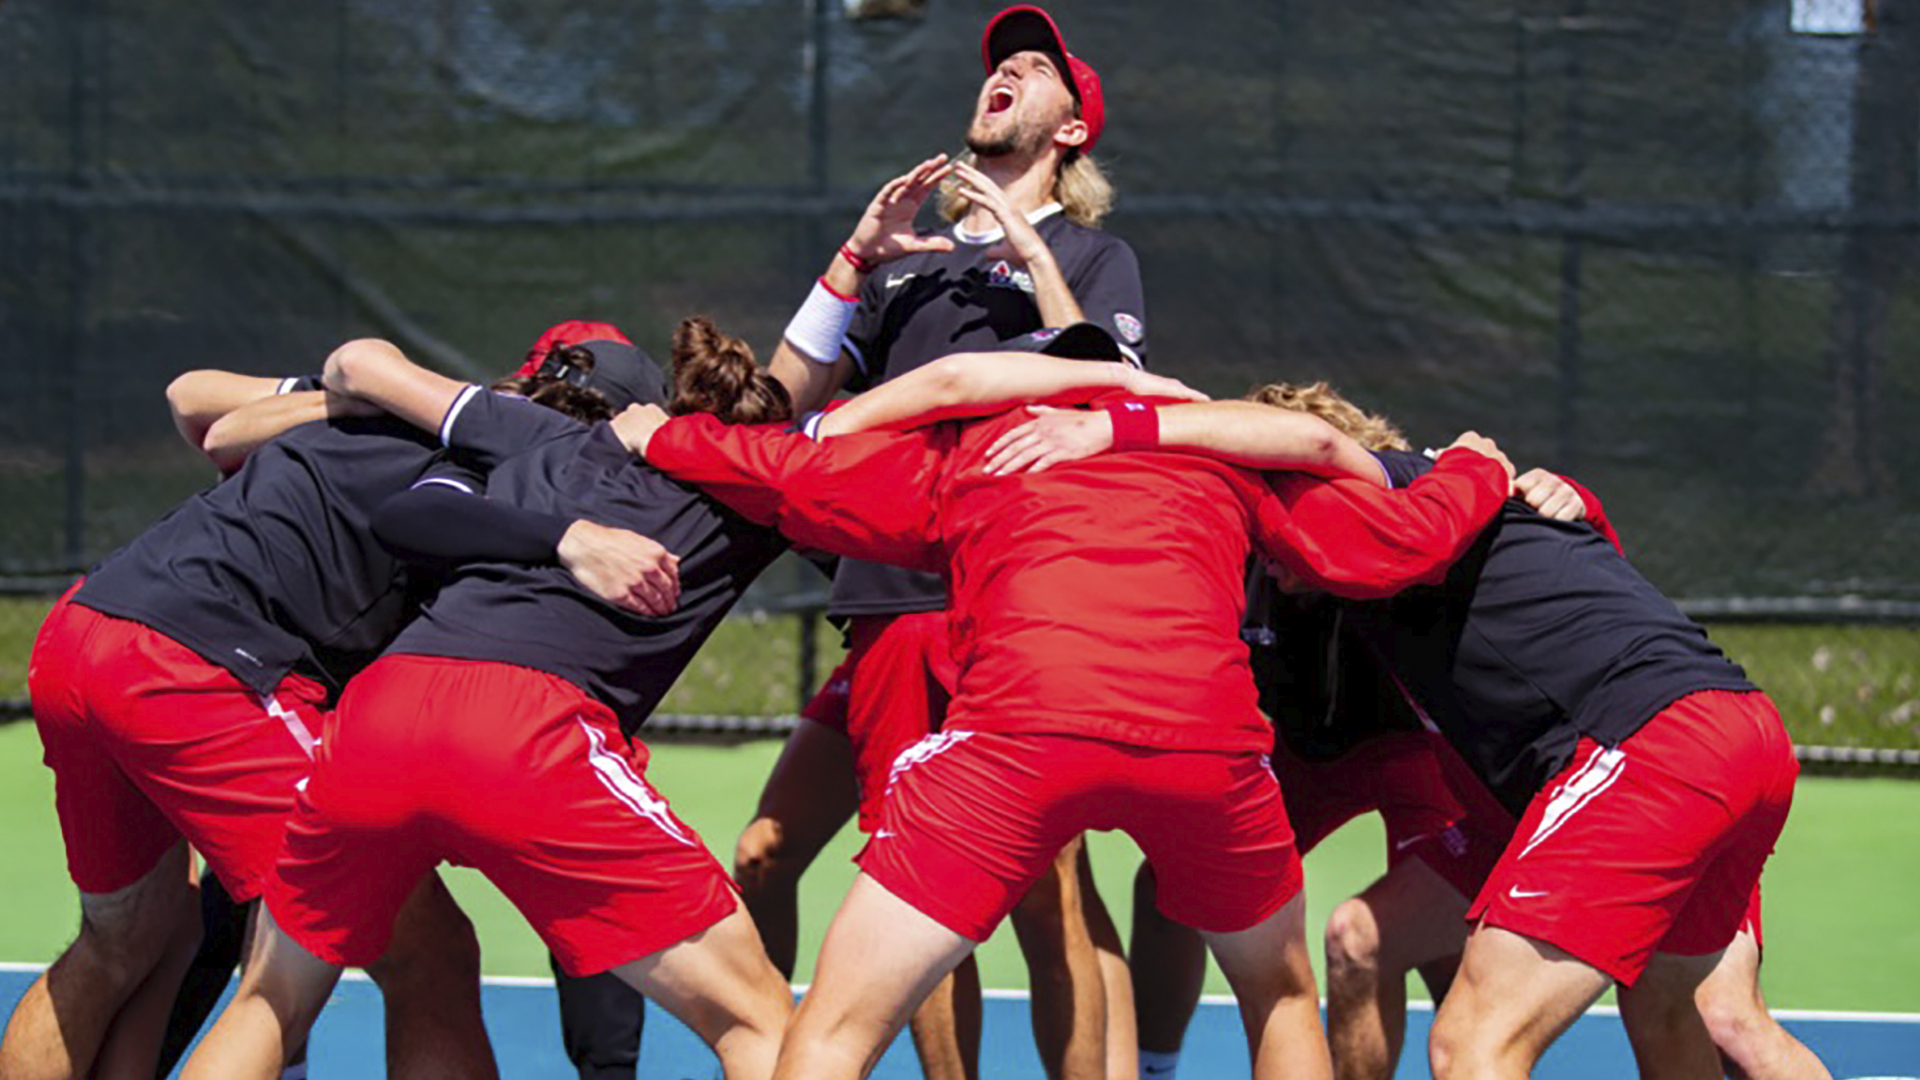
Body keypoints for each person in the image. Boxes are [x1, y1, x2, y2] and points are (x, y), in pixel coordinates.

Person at [614, 338, 1517, 1080]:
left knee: (835, 1032)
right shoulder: (1220, 458)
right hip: (1203, 747)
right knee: (1279, 999)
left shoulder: (975, 448)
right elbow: (1402, 540)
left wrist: (663, 438)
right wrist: (1475, 468)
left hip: (1019, 738)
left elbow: (784, 470)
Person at [984, 382, 1817, 1080]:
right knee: (1684, 1010)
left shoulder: (1396, 497)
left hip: (1648, 747)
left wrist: (1114, 425)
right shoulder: (1426, 524)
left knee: (1472, 1045)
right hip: (1726, 732)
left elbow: (1316, 444)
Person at [2, 342, 678, 1080]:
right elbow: (414, 518)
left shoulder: (393, 409)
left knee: (128, 941)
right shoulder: (516, 461)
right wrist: (570, 538)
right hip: (206, 669)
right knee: (426, 953)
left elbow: (212, 423)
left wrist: (338, 396)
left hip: (86, 628)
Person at [743, 6, 1151, 1077]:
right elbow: (784, 402)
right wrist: (852, 258)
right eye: (1001, 61)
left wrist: (1026, 247)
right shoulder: (906, 264)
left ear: (1073, 130)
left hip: (1016, 596)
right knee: (885, 873)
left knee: (1044, 890)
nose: (1006, 69)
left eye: (1037, 65)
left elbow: (1111, 386)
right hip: (892, 597)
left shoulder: (1092, 254)